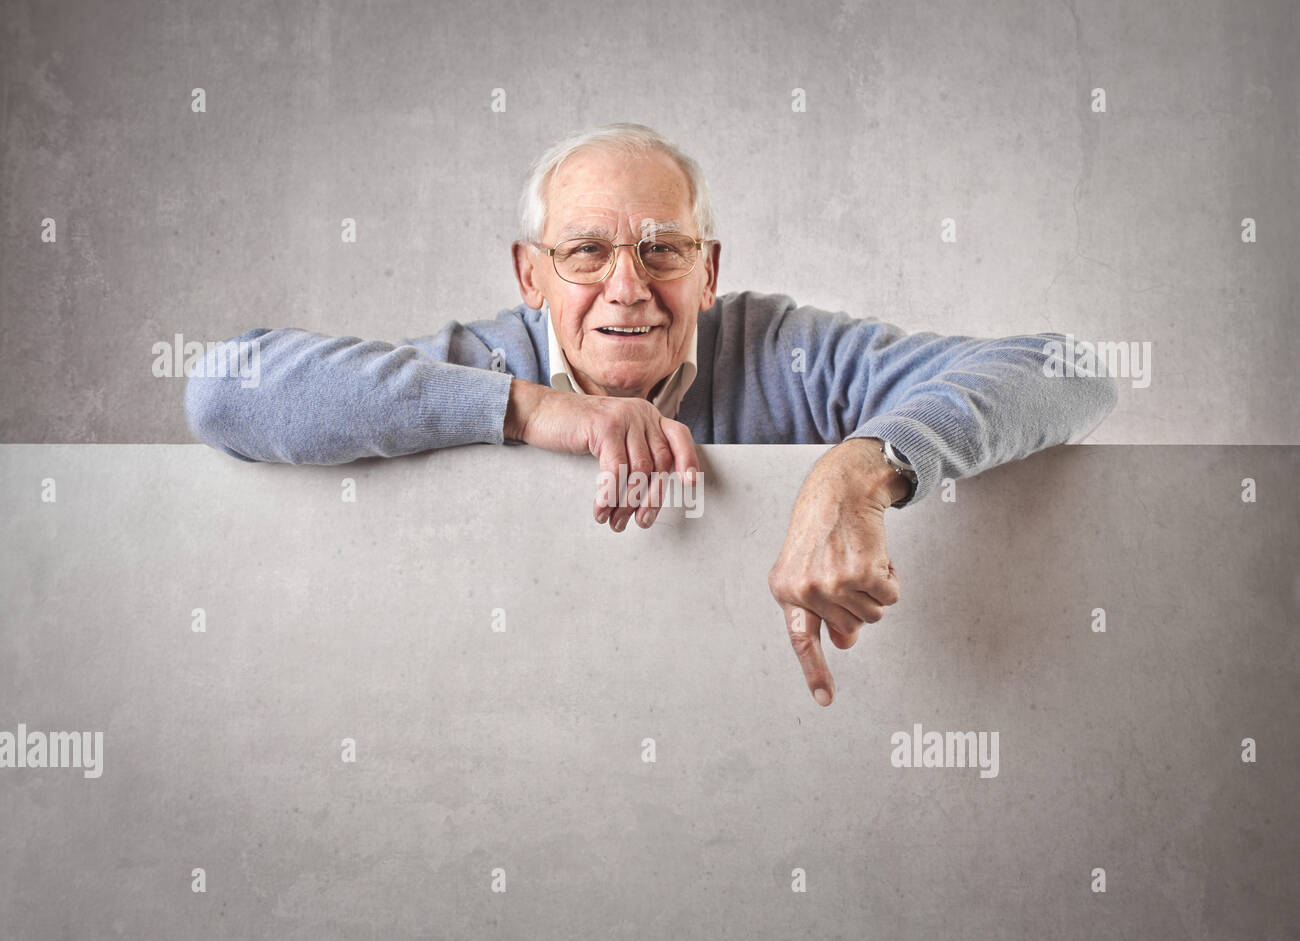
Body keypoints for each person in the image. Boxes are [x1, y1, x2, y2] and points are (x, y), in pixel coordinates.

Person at [185, 123, 1116, 707]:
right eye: (585, 250)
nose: (627, 287)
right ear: (530, 274)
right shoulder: (487, 358)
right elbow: (224, 385)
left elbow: (1072, 370)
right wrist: (540, 412)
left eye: (664, 249)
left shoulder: (784, 349)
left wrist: (861, 466)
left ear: (709, 272)